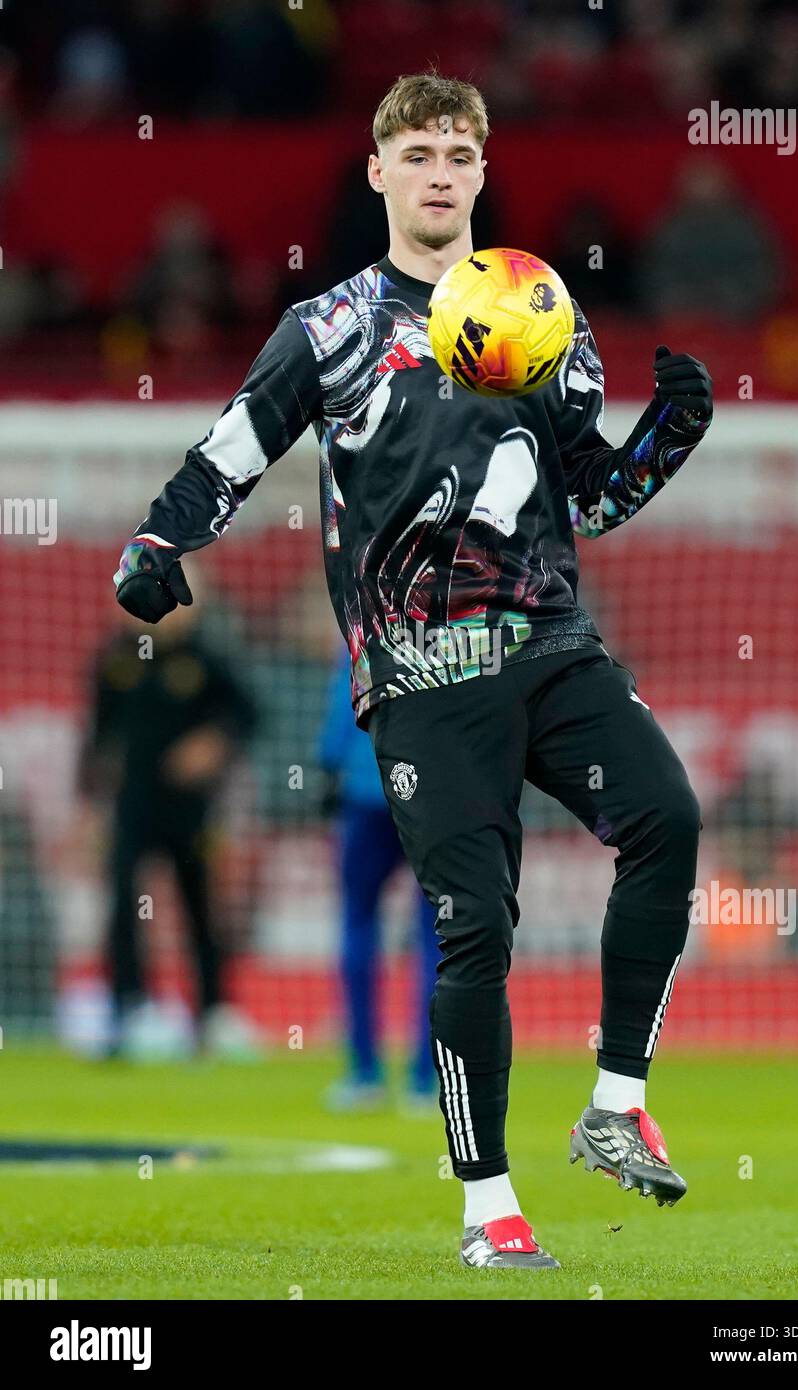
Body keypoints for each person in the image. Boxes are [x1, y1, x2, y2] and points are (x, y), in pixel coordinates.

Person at [112, 71, 713, 1269]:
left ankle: (612, 1103)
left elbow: (585, 499)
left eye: (458, 154)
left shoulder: (544, 312)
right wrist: (157, 541)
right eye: (417, 154)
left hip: (547, 642)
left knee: (668, 817)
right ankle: (487, 1211)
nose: (440, 174)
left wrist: (663, 442)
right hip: (419, 670)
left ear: (483, 173)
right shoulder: (326, 329)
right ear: (380, 173)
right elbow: (230, 452)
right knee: (472, 926)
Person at [81, 571, 259, 1060]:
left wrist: (214, 743)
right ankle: (129, 1007)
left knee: (199, 906)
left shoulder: (204, 659)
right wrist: (90, 807)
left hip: (191, 810)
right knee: (123, 903)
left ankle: (214, 1012)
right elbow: (96, 737)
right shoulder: (117, 660)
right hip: (132, 805)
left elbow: (247, 713)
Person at [318, 648, 439, 1112]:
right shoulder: (456, 620)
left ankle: (364, 1073)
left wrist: (329, 767)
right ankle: (426, 1080)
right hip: (431, 790)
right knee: (437, 932)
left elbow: (343, 702)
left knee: (358, 923)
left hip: (366, 790)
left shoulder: (364, 621)